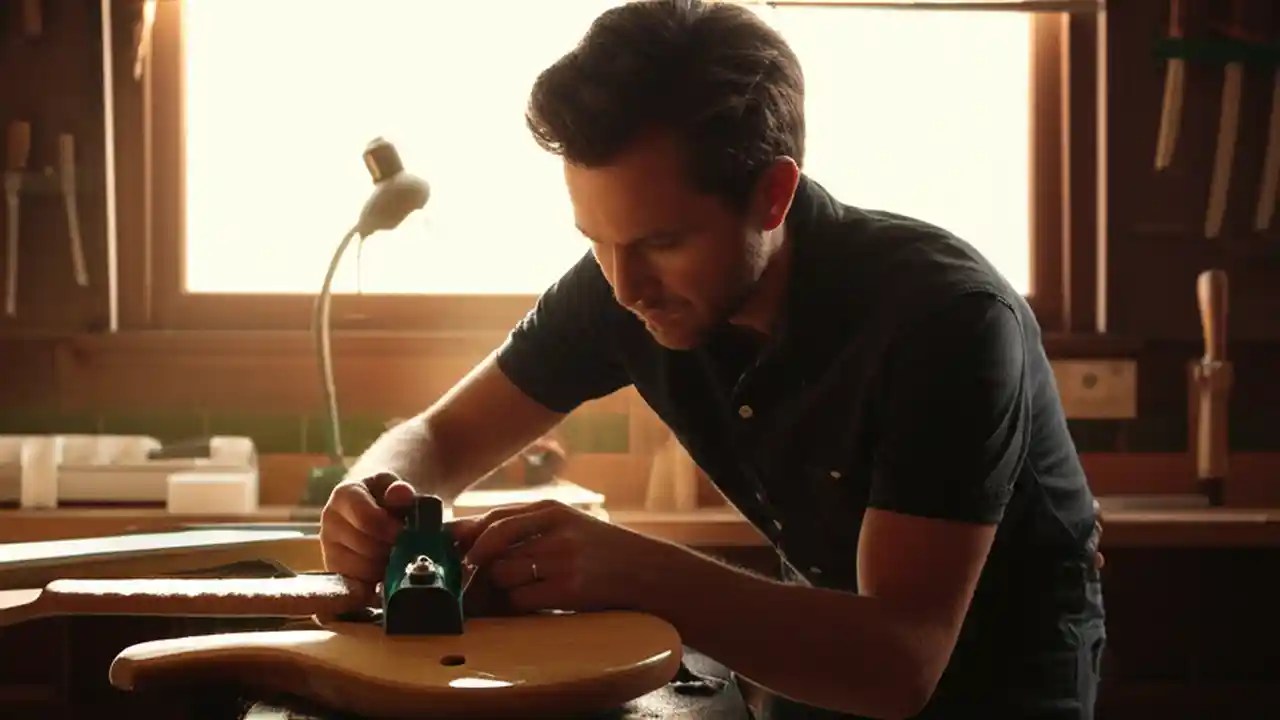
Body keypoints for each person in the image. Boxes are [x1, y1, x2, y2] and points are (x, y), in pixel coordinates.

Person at [318, 1, 1107, 717]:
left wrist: (630, 570)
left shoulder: (947, 322)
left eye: (663, 242)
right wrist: (375, 493)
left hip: (993, 681)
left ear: (773, 195)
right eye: (596, 241)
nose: (626, 286)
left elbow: (900, 661)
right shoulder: (622, 284)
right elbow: (443, 438)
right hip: (816, 646)